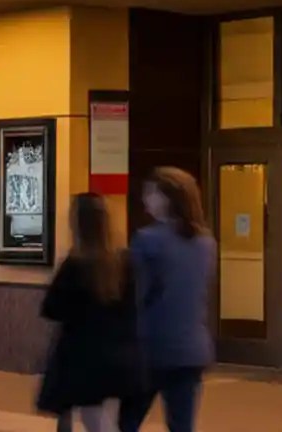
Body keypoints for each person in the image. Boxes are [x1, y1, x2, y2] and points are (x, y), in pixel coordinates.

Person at [118, 168, 216, 432]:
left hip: (152, 346)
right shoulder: (205, 242)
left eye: (151, 193)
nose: (145, 200)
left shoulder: (148, 240)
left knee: (127, 421)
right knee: (181, 425)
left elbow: (136, 295)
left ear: (167, 198)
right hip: (192, 348)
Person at [37, 193, 141, 431]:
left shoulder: (75, 264)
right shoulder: (125, 262)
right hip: (122, 355)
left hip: (85, 358)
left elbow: (51, 308)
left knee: (94, 420)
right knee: (107, 419)